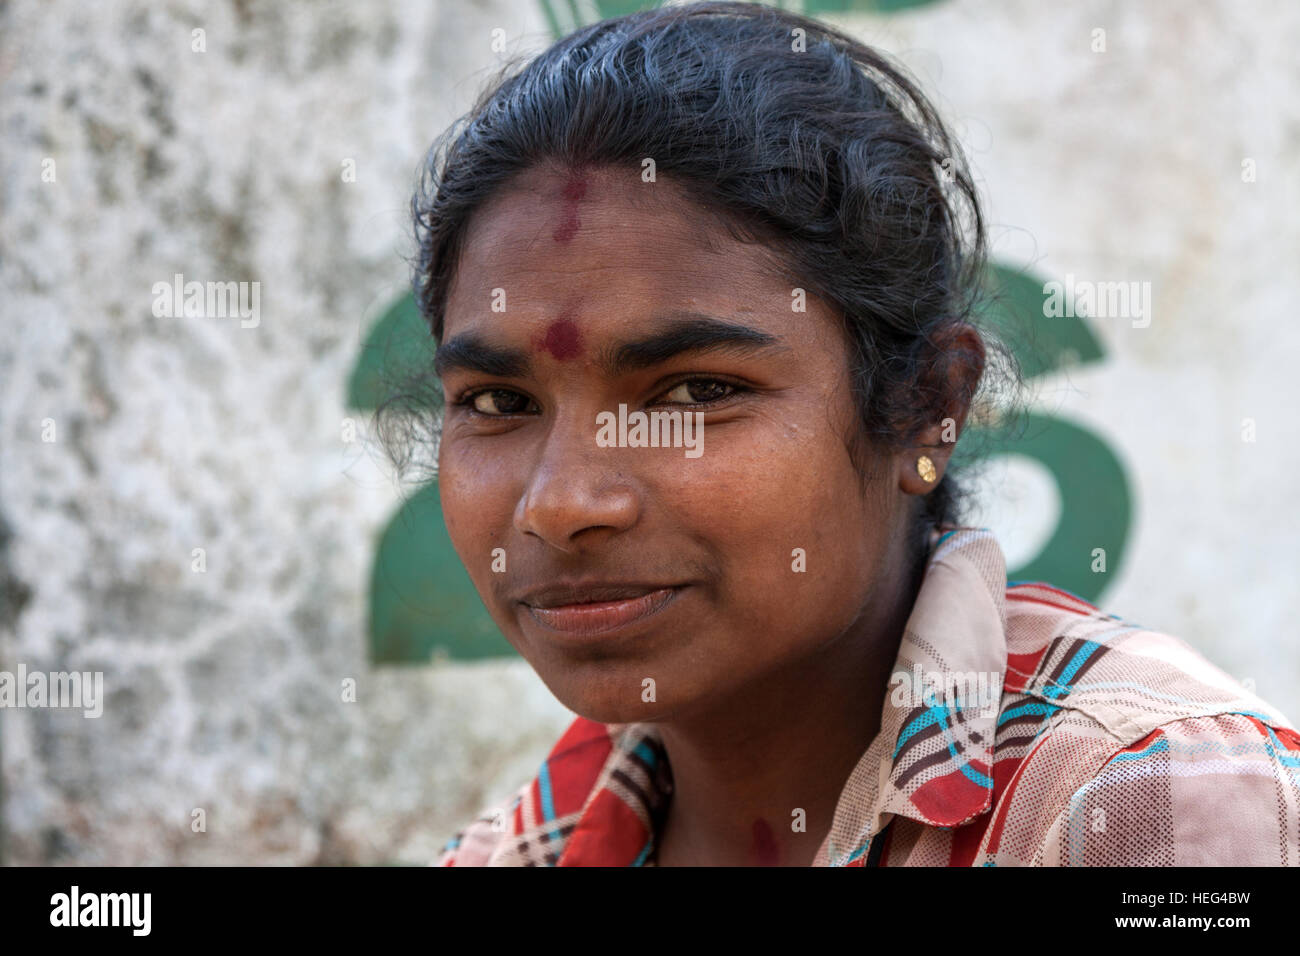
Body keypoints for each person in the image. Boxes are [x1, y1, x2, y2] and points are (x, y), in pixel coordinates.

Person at [395, 1, 1300, 865]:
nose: (560, 504)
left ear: (927, 409)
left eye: (696, 391)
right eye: (496, 403)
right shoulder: (520, 851)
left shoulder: (1148, 800)